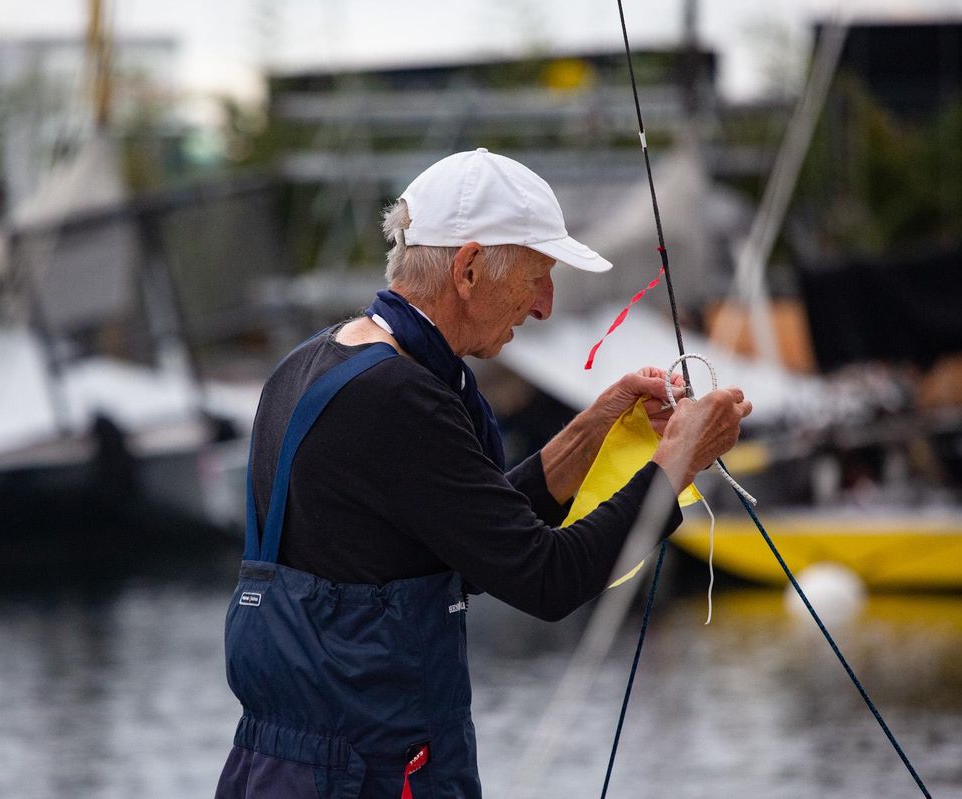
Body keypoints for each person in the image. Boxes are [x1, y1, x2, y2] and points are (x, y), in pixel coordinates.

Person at [216, 148, 751, 798]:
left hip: (283, 767)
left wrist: (593, 427)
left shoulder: (313, 361)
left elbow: (471, 542)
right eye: (537, 276)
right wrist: (677, 462)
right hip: (369, 773)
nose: (546, 305)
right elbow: (546, 577)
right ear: (467, 268)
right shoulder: (398, 398)